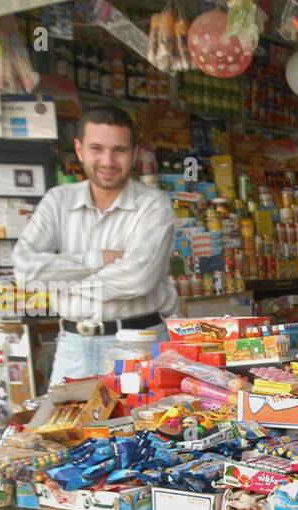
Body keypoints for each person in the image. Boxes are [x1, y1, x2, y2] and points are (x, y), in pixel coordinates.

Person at [13, 105, 178, 385]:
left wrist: (61, 283)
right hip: (73, 347)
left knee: (144, 426)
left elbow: (137, 280)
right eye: (96, 148)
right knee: (65, 428)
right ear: (79, 150)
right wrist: (100, 258)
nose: (108, 160)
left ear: (135, 153)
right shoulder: (57, 201)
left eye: (119, 150)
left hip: (138, 345)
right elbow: (25, 273)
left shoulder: (153, 205)